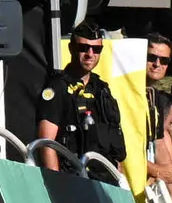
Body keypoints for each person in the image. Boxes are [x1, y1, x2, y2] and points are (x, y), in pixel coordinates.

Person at [36, 29, 127, 176]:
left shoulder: (102, 89)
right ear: (71, 48)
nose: (90, 54)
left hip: (105, 181)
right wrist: (56, 182)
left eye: (96, 49)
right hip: (73, 178)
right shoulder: (58, 88)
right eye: (83, 48)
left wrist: (118, 179)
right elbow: (46, 142)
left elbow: (112, 138)